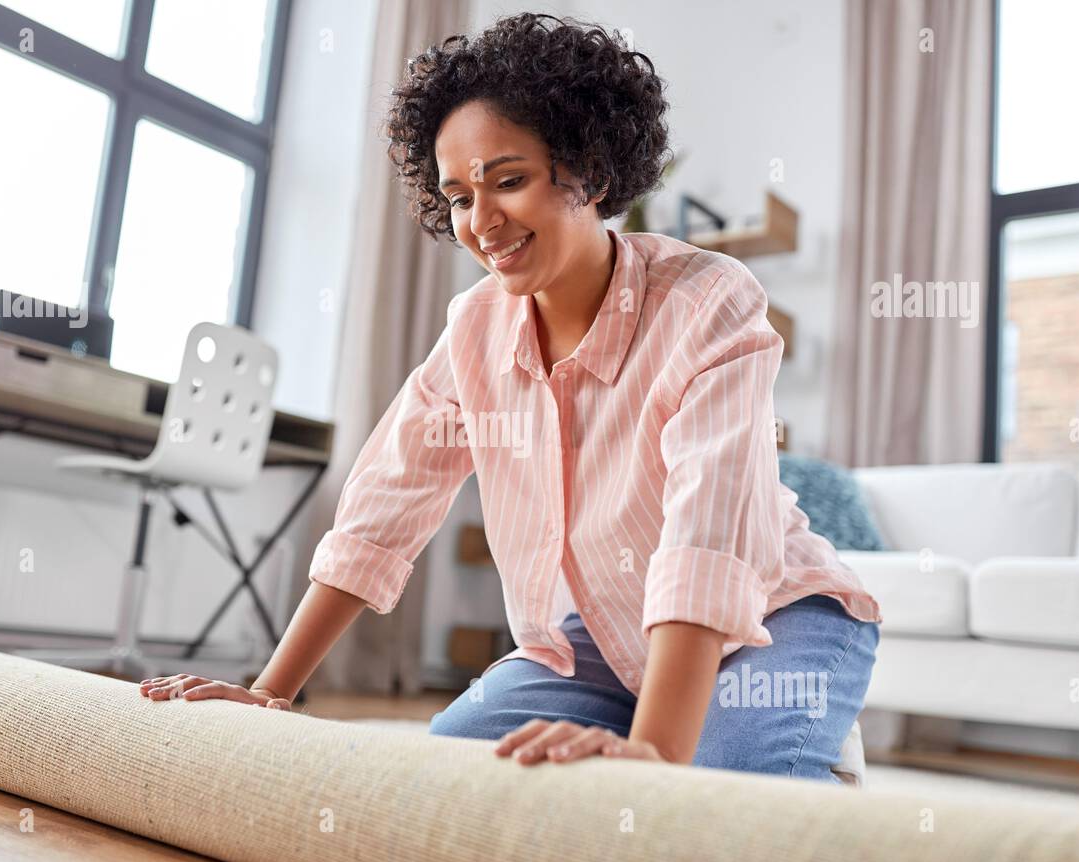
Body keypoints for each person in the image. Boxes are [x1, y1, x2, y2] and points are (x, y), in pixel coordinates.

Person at [141, 13, 882, 783]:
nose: (481, 222)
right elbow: (384, 507)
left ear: (589, 172)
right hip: (597, 644)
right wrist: (270, 693)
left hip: (776, 618)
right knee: (446, 787)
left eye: (509, 181)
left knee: (709, 810)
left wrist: (654, 762)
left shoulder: (708, 301)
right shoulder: (475, 328)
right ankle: (653, 726)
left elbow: (707, 534)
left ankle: (807, 751)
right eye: (458, 196)